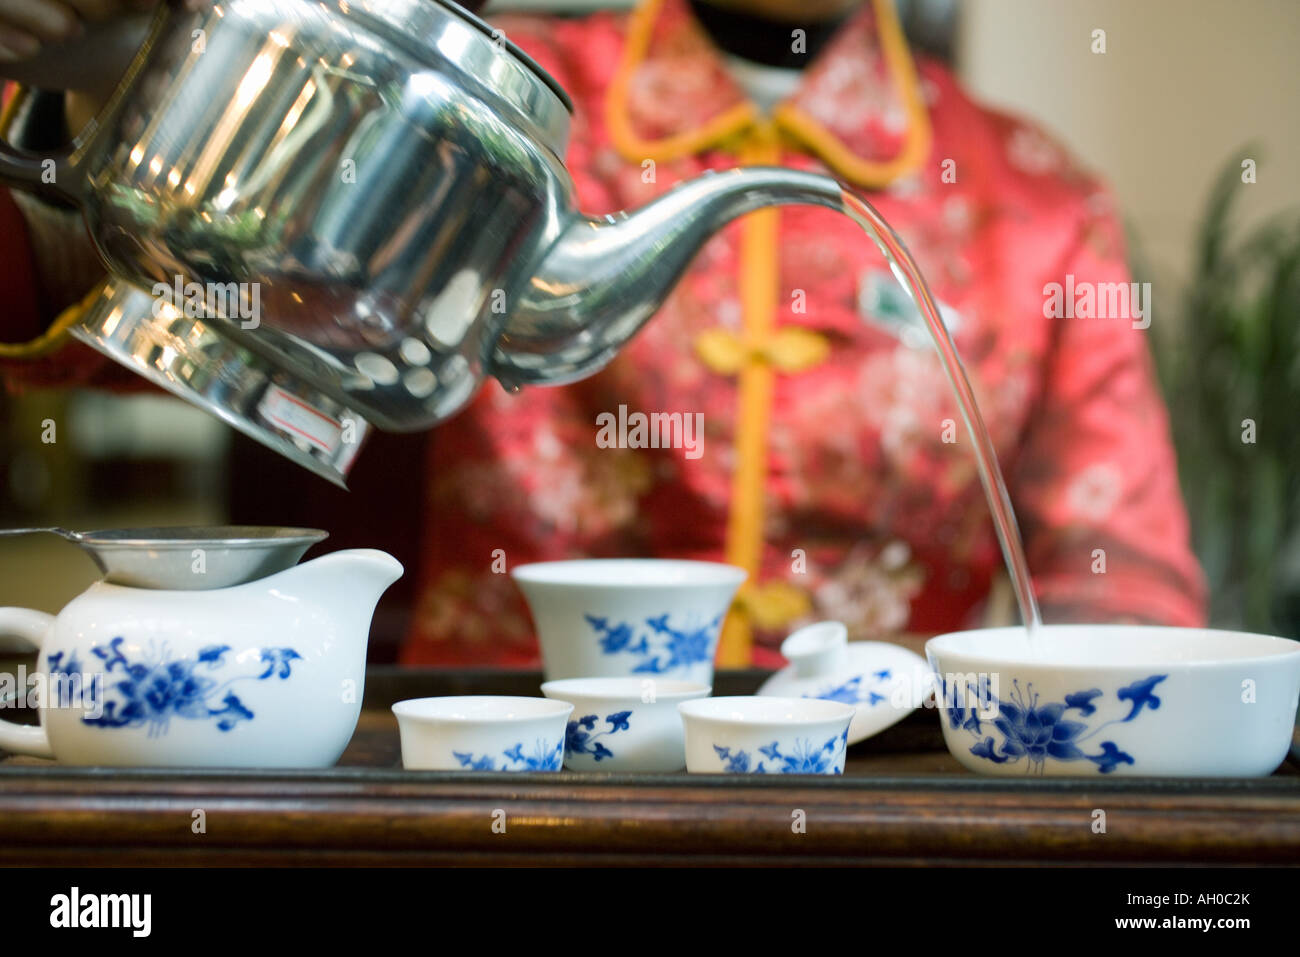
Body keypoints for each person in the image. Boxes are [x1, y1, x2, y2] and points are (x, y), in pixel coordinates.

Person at [0, 0, 1206, 671]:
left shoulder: (1033, 208)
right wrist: (70, 159)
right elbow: (182, 312)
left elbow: (1125, 590)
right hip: (483, 787)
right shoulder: (490, 106)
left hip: (878, 823)